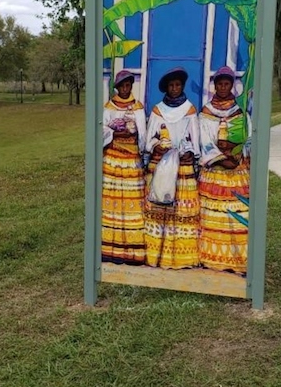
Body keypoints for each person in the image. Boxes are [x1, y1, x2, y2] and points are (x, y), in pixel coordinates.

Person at [143, 67, 200, 269]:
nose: (174, 88)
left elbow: (195, 140)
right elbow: (148, 140)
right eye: (171, 85)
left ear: (182, 86)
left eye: (178, 85)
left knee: (179, 211)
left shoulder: (190, 110)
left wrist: (189, 152)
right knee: (159, 204)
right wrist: (157, 146)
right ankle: (155, 253)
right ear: (166, 88)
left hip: (182, 168)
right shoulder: (158, 110)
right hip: (161, 165)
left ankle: (179, 257)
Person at [197, 67, 250, 274]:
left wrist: (236, 156)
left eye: (226, 84)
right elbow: (205, 141)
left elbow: (246, 138)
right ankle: (213, 258)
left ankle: (237, 258)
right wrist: (219, 159)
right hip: (216, 169)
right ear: (215, 86)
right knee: (214, 214)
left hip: (235, 169)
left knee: (236, 214)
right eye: (219, 84)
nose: (222, 87)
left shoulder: (240, 111)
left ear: (231, 85)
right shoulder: (206, 112)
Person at [101, 70, 148, 264]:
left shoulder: (137, 107)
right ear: (117, 87)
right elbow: (102, 128)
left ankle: (132, 249)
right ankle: (109, 247)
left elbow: (143, 133)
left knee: (131, 202)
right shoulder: (109, 107)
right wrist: (114, 133)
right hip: (113, 158)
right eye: (122, 86)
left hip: (131, 160)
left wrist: (142, 151)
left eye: (128, 85)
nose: (125, 88)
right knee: (112, 201)